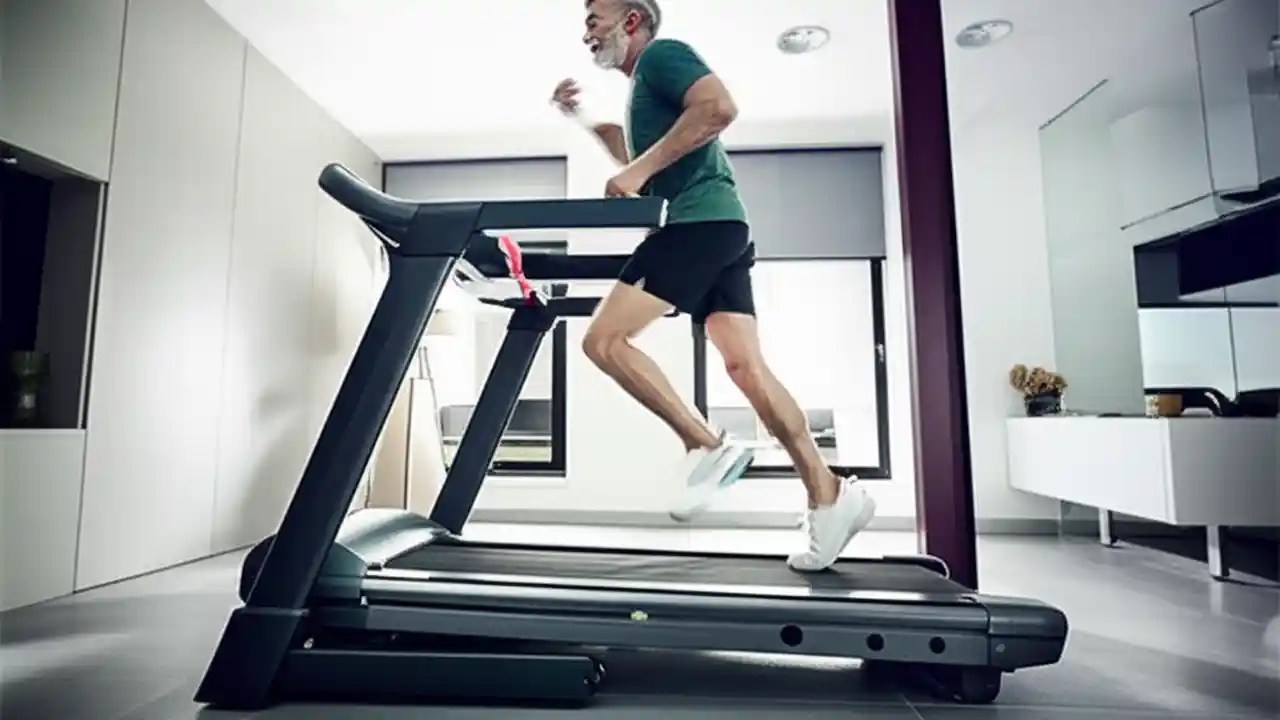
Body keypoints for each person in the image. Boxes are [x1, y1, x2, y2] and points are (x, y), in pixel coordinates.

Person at [550, 0, 876, 572]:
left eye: (593, 19)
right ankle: (829, 493)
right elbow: (639, 154)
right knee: (746, 368)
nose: (586, 33)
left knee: (603, 342)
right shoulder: (644, 92)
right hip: (723, 226)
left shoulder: (662, 57)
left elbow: (718, 108)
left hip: (696, 225)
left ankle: (703, 443)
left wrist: (637, 172)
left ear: (632, 20)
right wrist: (586, 123)